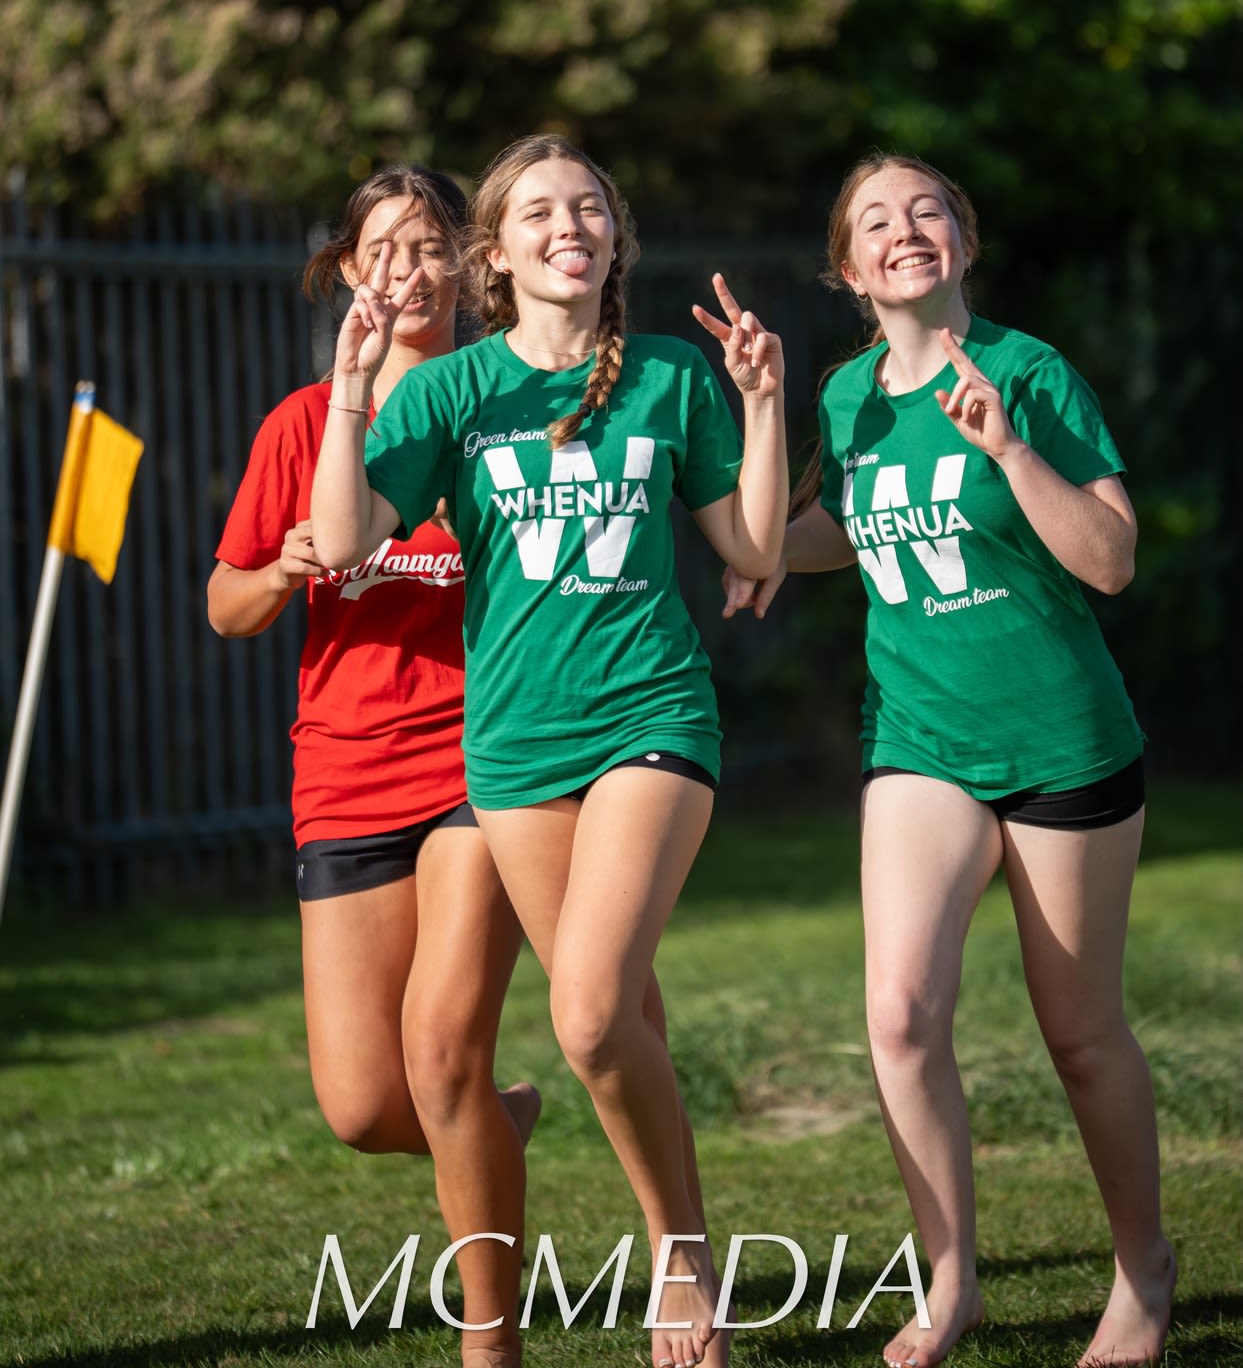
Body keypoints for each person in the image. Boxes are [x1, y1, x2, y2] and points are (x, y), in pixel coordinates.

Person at [310, 134, 788, 1368]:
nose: (566, 223)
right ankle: (658, 1255)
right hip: (516, 746)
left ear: (614, 239)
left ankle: (681, 1260)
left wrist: (766, 399)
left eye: (588, 206)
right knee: (617, 1006)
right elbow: (348, 537)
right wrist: (354, 385)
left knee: (582, 1015)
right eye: (536, 210)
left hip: (651, 720)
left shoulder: (675, 378)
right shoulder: (450, 392)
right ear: (498, 252)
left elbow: (750, 545)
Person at [724, 151, 1175, 1368]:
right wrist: (764, 544)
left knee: (1078, 1034)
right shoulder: (847, 395)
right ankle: (951, 1276)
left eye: (928, 211)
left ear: (962, 246)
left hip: (1062, 741)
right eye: (876, 219)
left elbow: (1112, 560)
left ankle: (1142, 1270)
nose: (904, 229)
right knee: (900, 1014)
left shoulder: (1027, 373)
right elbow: (846, 521)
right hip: (921, 740)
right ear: (847, 264)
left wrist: (1009, 452)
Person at [207, 165, 539, 1368]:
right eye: (384, 248)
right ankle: (497, 1131)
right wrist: (290, 565)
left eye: (433, 243)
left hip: (479, 760)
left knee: (443, 1053)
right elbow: (225, 603)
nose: (409, 268)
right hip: (341, 775)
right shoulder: (305, 423)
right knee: (364, 1106)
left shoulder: (511, 406)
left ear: (472, 263)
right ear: (350, 270)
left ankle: (489, 1343)